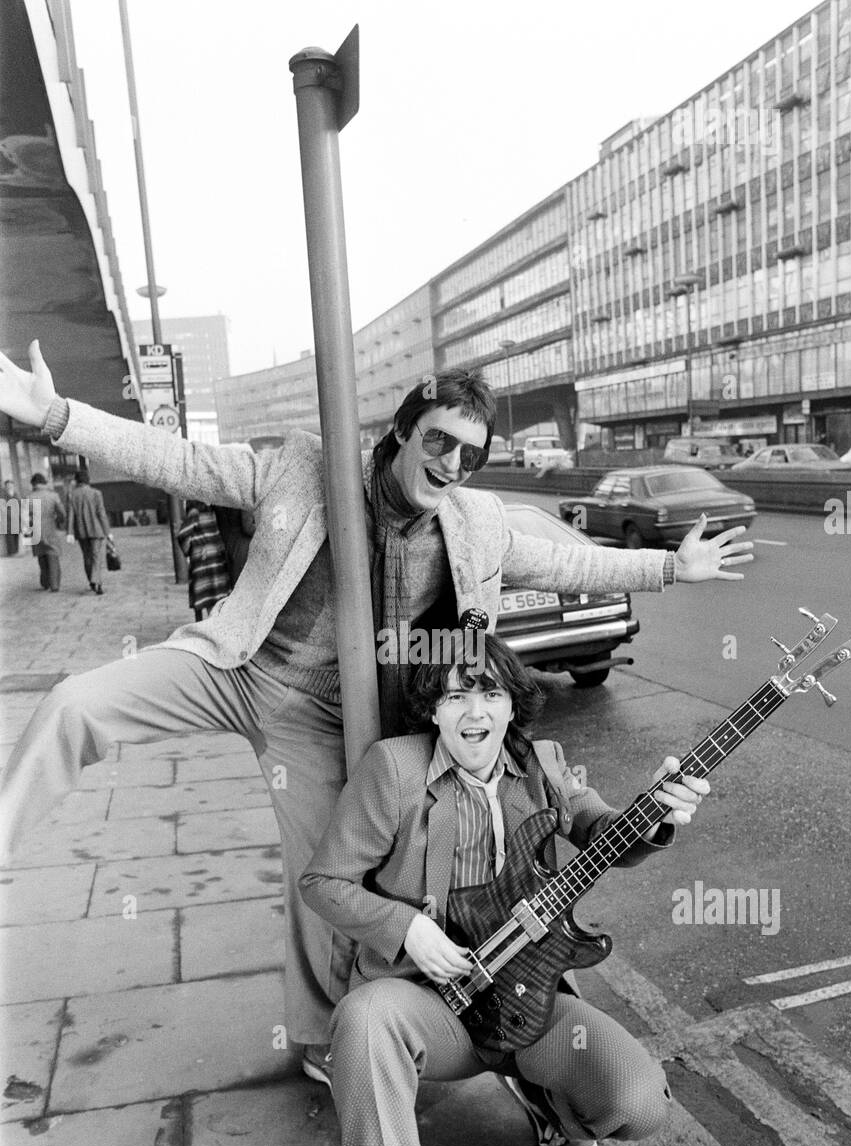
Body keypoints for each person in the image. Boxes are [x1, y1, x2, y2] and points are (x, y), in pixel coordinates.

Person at [0, 341, 749, 1070]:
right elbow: (181, 461)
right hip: (241, 666)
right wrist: (56, 414)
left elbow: (562, 560)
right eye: (439, 441)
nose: (452, 464)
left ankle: (325, 1038)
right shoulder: (304, 469)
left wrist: (668, 567)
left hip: (325, 720)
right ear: (401, 430)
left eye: (469, 455)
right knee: (75, 702)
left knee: (323, 878)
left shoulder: (473, 522)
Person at [299, 634, 711, 1146]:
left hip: (532, 1002)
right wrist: (407, 927)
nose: (474, 711)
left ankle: (547, 1102)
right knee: (364, 1021)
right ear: (431, 709)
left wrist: (656, 814)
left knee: (637, 1104)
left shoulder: (541, 763)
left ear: (512, 705)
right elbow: (323, 881)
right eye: (455, 693)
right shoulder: (393, 769)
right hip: (429, 1003)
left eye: (489, 692)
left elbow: (600, 830)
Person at [177, 499, 232, 621]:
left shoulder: (194, 512)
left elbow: (183, 534)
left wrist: (191, 548)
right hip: (216, 559)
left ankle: (207, 624)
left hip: (203, 561)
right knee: (215, 596)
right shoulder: (211, 512)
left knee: (206, 596)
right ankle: (214, 624)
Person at [66, 465, 113, 594]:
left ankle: (92, 582)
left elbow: (70, 515)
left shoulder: (72, 495)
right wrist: (107, 531)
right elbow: (101, 514)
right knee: (96, 556)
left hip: (81, 532)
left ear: (76, 481)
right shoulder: (96, 493)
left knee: (86, 557)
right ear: (88, 480)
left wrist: (69, 532)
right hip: (96, 531)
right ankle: (97, 582)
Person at [28, 472, 67, 592]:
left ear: (33, 484)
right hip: (50, 528)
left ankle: (45, 583)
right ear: (44, 482)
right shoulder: (53, 496)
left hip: (35, 530)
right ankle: (54, 585)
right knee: (53, 556)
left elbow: (25, 518)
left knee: (42, 556)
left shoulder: (29, 497)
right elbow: (62, 513)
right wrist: (59, 522)